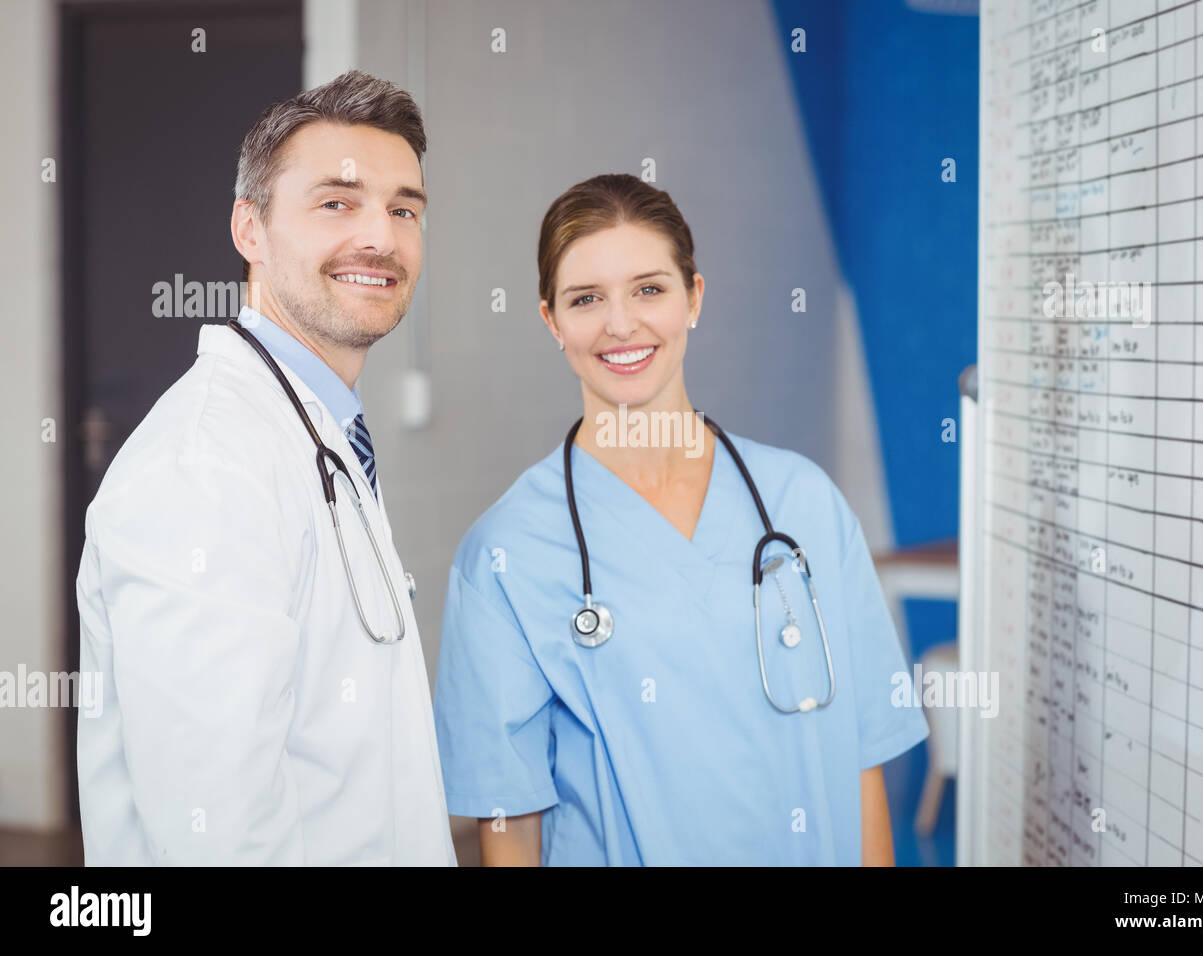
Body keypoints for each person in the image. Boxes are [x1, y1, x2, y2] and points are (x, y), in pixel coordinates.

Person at [433, 173, 928, 865]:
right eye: (586, 299)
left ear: (694, 297)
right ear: (551, 321)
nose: (620, 323)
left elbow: (863, 752)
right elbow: (508, 821)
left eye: (649, 288)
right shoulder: (506, 554)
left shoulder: (803, 503)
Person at [75, 70, 456, 865]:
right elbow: (218, 830)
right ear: (250, 230)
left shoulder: (319, 433)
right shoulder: (205, 467)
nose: (380, 238)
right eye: (336, 203)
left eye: (404, 209)